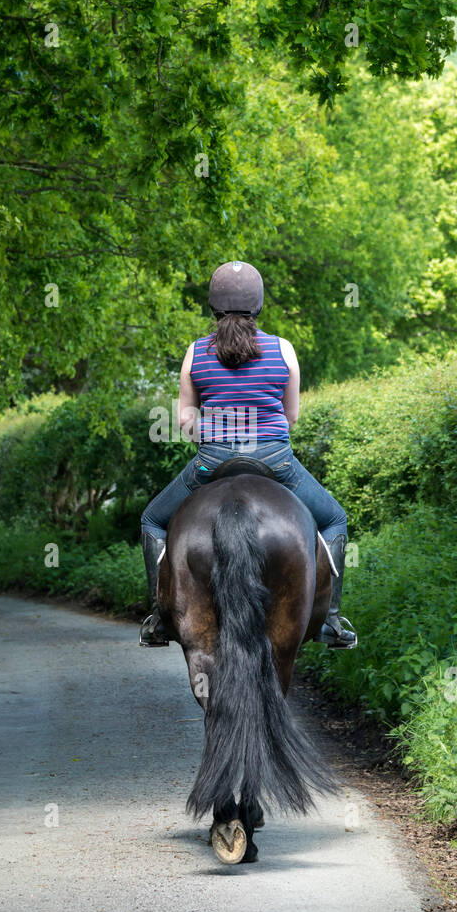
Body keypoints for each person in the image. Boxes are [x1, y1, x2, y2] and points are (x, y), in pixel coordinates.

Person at [139, 261, 357, 649]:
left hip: (212, 462)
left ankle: (158, 617)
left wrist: (213, 432)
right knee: (335, 519)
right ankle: (332, 622)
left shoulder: (196, 352)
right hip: (275, 461)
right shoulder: (282, 349)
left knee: (153, 521)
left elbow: (186, 420)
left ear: (213, 307)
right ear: (258, 306)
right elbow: (291, 417)